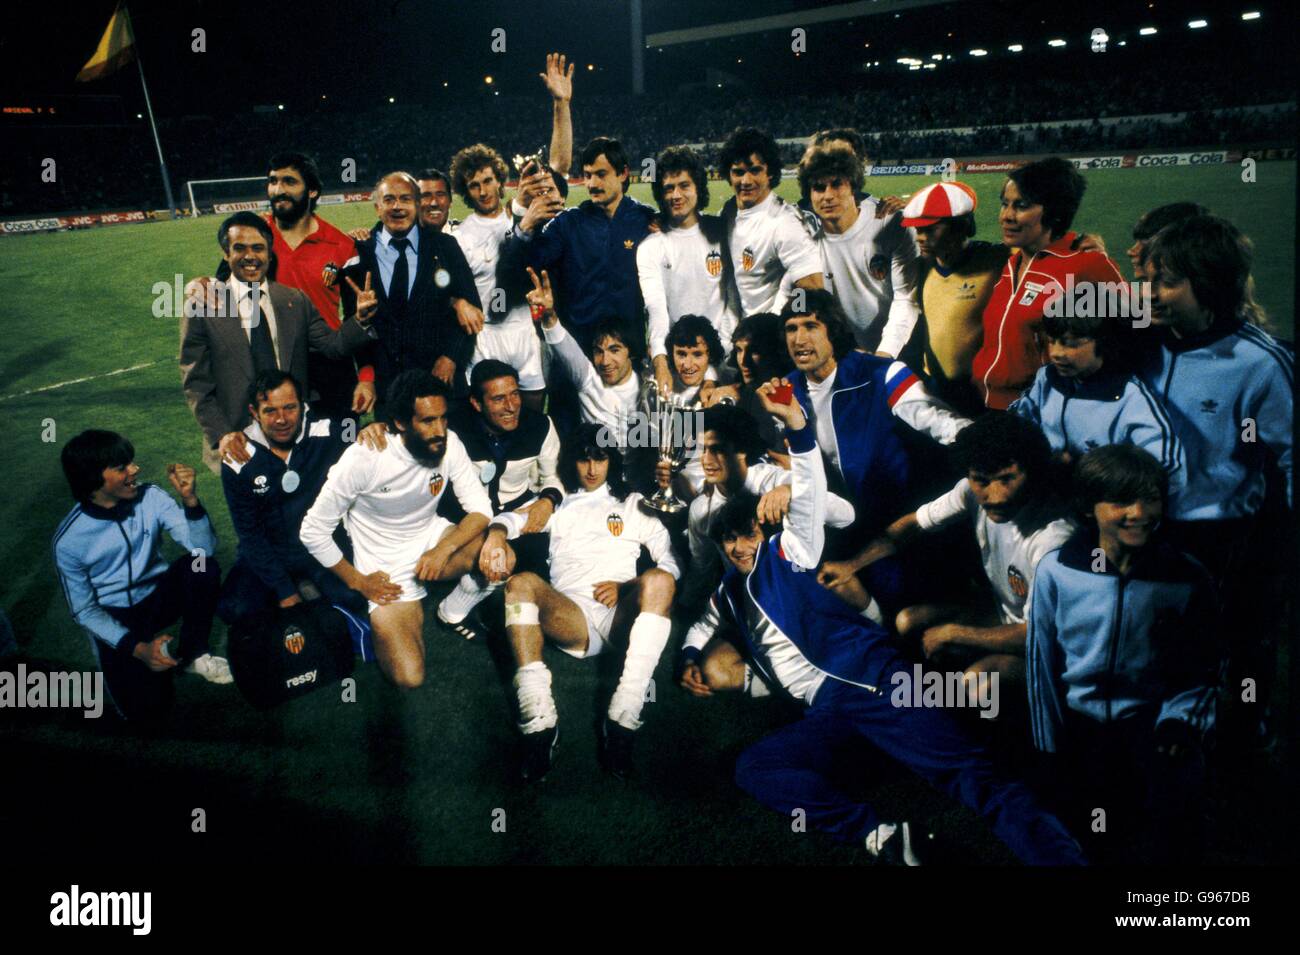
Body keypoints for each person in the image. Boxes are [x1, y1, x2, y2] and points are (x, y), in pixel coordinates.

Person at [681, 383, 1084, 865]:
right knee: (754, 767)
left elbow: (810, 497)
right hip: (826, 709)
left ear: (761, 530)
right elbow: (704, 619)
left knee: (972, 776)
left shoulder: (787, 552)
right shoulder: (729, 590)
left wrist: (797, 427)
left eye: (745, 535)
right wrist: (688, 655)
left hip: (875, 681)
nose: (738, 547)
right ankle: (884, 838)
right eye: (727, 542)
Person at [1139, 214, 1292, 754]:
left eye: (1166, 281)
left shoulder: (1260, 362)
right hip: (1150, 528)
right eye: (1150, 278)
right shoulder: (1141, 343)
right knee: (1164, 638)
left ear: (1209, 285)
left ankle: (1247, 732)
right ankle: (1173, 727)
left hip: (1225, 534)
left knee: (1241, 640)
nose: (1150, 293)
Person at [1027, 445, 1218, 863]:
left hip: (1149, 729)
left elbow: (1202, 667)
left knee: (1161, 837)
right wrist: (1048, 745)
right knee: (1092, 833)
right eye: (1121, 501)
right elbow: (1041, 664)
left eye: (1150, 498)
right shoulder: (1058, 571)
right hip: (1080, 730)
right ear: (1088, 508)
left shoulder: (1185, 577)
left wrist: (1179, 724)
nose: (1140, 512)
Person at [482, 423, 680, 781]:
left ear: (611, 461)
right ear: (572, 462)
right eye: (584, 460)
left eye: (600, 459)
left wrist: (628, 585)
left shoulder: (632, 503)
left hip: (622, 616)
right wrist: (497, 535)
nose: (591, 469)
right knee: (520, 585)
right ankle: (539, 722)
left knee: (660, 581)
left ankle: (623, 716)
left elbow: (671, 563)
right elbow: (510, 519)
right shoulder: (559, 505)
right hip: (571, 619)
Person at [844, 413, 1075, 688]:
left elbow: (1040, 634)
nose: (996, 495)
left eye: (1007, 479)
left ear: (1031, 472)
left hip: (1052, 647)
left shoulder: (1053, 540)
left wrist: (955, 633)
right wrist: (851, 565)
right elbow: (912, 526)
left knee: (977, 685)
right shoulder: (968, 491)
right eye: (982, 481)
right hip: (1006, 617)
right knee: (907, 621)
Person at [298, 372, 494, 688]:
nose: (439, 430)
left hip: (431, 540)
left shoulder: (450, 443)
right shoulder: (364, 457)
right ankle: (363, 612)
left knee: (498, 556)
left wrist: (441, 549)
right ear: (401, 423)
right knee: (409, 677)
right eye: (428, 421)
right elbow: (312, 531)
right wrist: (360, 582)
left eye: (443, 418)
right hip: (384, 568)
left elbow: (481, 510)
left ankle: (455, 604)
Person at [783, 289, 970, 613]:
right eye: (791, 328)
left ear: (834, 329)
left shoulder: (881, 373)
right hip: (835, 524)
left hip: (899, 527)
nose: (800, 339)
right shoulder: (786, 390)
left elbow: (939, 421)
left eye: (811, 326)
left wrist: (985, 441)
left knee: (904, 613)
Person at [180, 211, 378, 473]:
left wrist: (360, 320)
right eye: (239, 248)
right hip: (238, 443)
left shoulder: (294, 300)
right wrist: (222, 434)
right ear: (226, 253)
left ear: (269, 253)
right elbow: (196, 382)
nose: (250, 256)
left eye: (258, 248)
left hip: (293, 434)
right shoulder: (204, 303)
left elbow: (333, 346)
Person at [53, 431, 229, 720]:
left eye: (131, 463)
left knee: (202, 566)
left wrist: (190, 500)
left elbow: (204, 549)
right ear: (93, 479)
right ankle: (146, 663)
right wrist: (137, 649)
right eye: (122, 467)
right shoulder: (69, 540)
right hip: (117, 616)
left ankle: (192, 653)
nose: (135, 470)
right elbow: (84, 611)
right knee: (147, 714)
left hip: (158, 596)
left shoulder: (152, 497)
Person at [192, 153, 376, 428]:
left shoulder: (341, 245)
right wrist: (201, 283)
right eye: (273, 181)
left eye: (289, 181)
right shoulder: (252, 236)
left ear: (312, 190)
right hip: (269, 359)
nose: (278, 190)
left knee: (338, 454)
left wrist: (366, 378)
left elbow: (358, 318)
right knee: (271, 453)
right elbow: (222, 292)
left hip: (327, 360)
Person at [970, 157, 1126, 409]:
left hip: (1040, 409)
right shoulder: (1013, 263)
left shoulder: (1085, 263)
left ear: (1053, 212)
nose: (1006, 216)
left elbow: (1134, 327)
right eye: (1004, 204)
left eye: (1021, 206)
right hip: (988, 403)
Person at [217, 371, 363, 623]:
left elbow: (359, 437)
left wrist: (376, 429)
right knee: (235, 609)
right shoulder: (237, 456)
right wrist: (284, 590)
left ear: (302, 405)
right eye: (270, 411)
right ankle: (298, 588)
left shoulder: (327, 433)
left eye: (290, 408)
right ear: (254, 412)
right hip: (268, 551)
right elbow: (249, 534)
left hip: (319, 545)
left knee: (355, 597)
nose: (282, 419)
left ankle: (307, 586)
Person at [338, 172, 484, 405]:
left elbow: (472, 309)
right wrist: (367, 377)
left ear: (417, 205)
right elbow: (354, 323)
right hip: (389, 389)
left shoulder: (445, 246)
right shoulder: (359, 254)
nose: (397, 207)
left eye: (406, 199)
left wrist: (451, 358)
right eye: (389, 200)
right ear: (377, 207)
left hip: (440, 382)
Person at [501, 137, 654, 350]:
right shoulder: (568, 224)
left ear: (623, 173)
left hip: (630, 353)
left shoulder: (646, 220)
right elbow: (519, 272)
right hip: (580, 353)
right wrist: (524, 225)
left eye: (601, 175)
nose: (592, 184)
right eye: (587, 175)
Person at [1010, 302, 1184, 488]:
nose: (1056, 353)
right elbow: (1018, 423)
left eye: (1071, 344)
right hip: (1050, 498)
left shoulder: (1130, 398)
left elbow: (1168, 467)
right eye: (1051, 341)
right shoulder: (1047, 377)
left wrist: (1096, 477)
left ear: (1105, 342)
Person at [799, 141, 921, 361]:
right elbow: (802, 301)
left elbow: (906, 299)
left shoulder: (889, 222)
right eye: (818, 188)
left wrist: (884, 356)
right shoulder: (803, 240)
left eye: (836, 184)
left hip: (903, 346)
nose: (827, 196)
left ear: (853, 187)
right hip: (848, 353)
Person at [449, 144, 547, 409]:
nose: (483, 191)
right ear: (465, 191)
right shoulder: (460, 236)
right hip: (486, 336)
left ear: (500, 180)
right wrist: (456, 302)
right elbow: (444, 287)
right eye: (473, 185)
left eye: (488, 181)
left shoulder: (522, 219)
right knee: (489, 417)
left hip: (524, 329)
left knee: (531, 413)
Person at [638, 146, 738, 394]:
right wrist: (660, 360)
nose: (675, 195)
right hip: (679, 363)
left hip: (724, 362)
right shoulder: (650, 247)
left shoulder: (723, 234)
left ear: (698, 188)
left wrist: (715, 363)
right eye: (668, 188)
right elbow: (657, 310)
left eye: (684, 185)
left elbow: (734, 303)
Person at [901, 181, 1005, 416]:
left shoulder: (996, 260)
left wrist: (1080, 242)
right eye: (917, 230)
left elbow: (1045, 255)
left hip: (981, 393)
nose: (920, 238)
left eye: (929, 229)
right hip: (935, 388)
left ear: (962, 226)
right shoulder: (920, 267)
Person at [528, 268, 641, 446]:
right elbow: (561, 343)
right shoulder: (588, 378)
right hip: (597, 468)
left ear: (631, 353)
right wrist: (548, 314)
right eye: (599, 351)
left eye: (614, 350)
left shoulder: (648, 386)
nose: (605, 361)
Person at [718, 127, 824, 317]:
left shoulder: (784, 223)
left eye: (755, 170)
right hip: (743, 332)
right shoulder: (728, 212)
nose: (746, 180)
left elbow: (812, 287)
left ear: (770, 173)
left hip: (772, 336)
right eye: (738, 172)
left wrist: (778, 318)